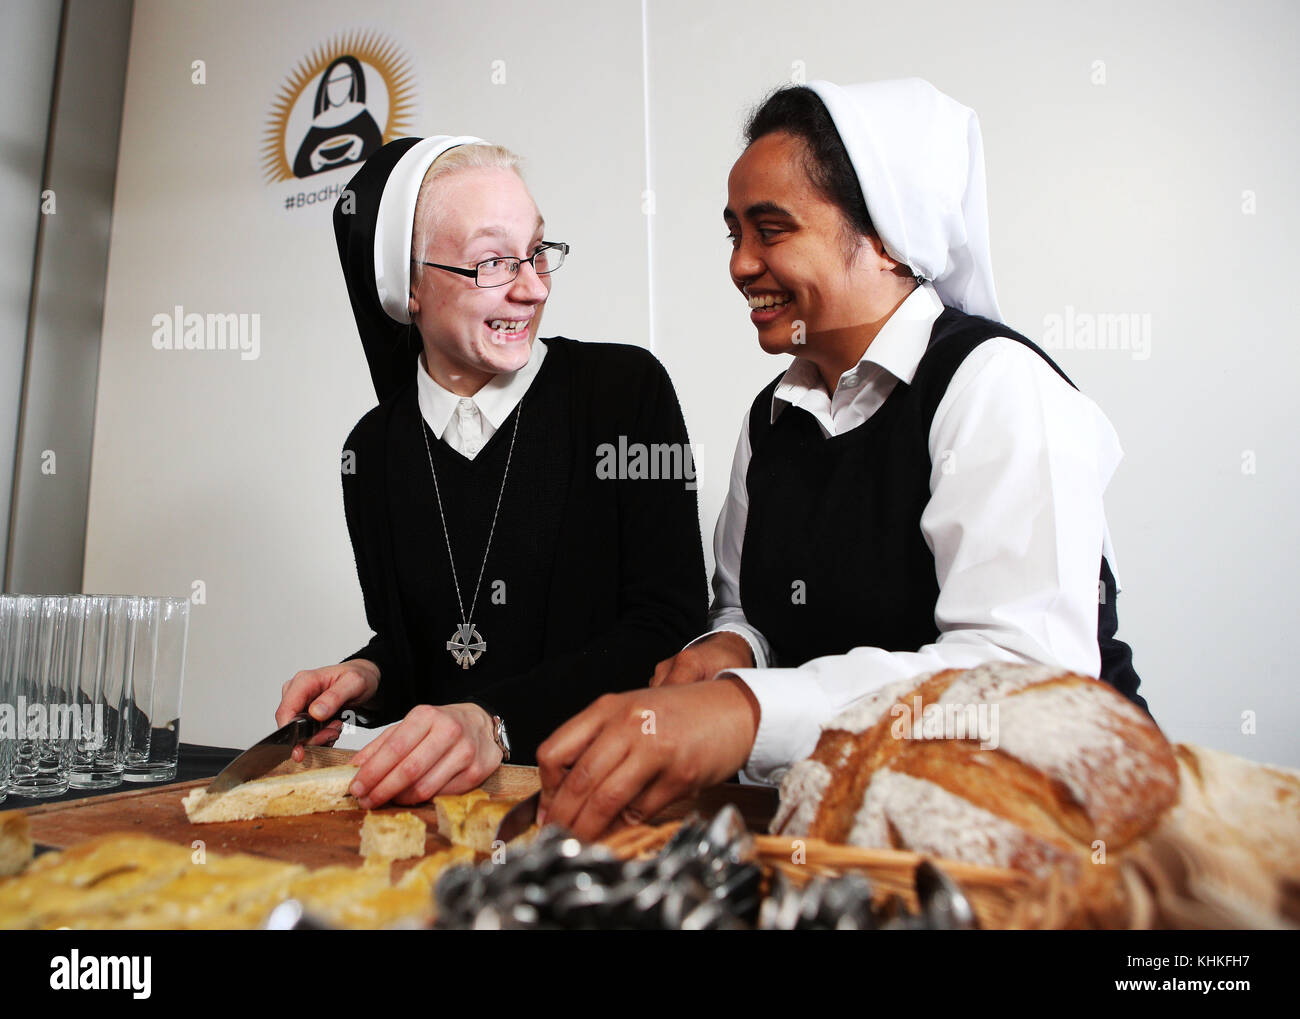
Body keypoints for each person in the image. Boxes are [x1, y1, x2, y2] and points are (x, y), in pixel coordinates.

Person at [538, 78, 1147, 840]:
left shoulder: (996, 387)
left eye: (772, 229)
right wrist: (732, 646)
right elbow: (747, 608)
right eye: (734, 234)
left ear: (889, 237)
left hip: (1057, 836)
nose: (740, 265)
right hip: (860, 832)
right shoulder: (771, 419)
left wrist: (746, 708)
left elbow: (1017, 678)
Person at [277, 135, 707, 808]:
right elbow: (424, 645)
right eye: (493, 262)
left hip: (611, 804)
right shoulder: (372, 451)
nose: (533, 288)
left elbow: (668, 627)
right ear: (409, 287)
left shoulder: (625, 392)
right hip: (451, 815)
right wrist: (367, 676)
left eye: (537, 252)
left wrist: (496, 722)